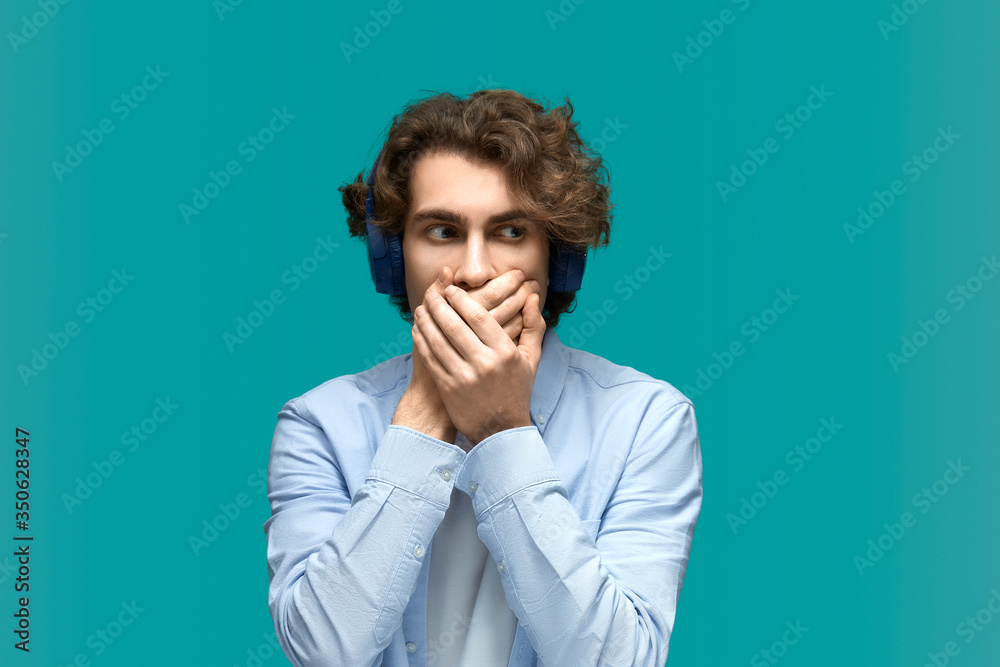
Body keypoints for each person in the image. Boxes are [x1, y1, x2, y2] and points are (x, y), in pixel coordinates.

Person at [264, 89, 703, 667]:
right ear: (393, 258)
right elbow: (323, 652)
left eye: (511, 232)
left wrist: (503, 433)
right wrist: (424, 415)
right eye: (442, 232)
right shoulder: (318, 423)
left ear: (558, 256)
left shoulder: (649, 420)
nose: (473, 271)